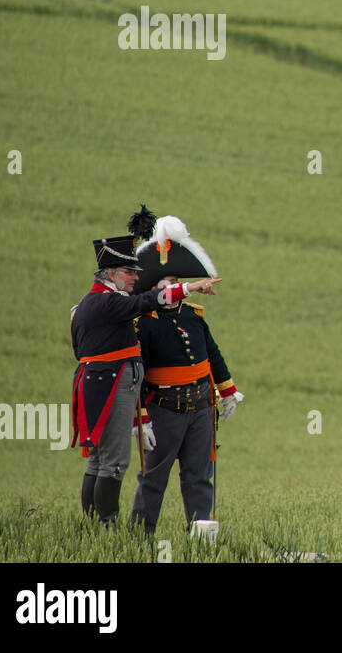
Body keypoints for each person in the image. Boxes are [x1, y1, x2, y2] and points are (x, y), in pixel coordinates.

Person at [71, 217, 220, 528]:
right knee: (112, 463)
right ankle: (105, 526)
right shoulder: (108, 302)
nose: (133, 278)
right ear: (110, 273)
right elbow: (152, 299)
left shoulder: (97, 302)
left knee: (102, 462)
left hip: (108, 384)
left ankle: (96, 526)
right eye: (128, 272)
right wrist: (191, 286)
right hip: (113, 387)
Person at [128, 211, 243, 534]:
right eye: (165, 283)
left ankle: (202, 537)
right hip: (164, 409)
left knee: (199, 476)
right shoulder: (144, 323)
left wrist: (229, 390)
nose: (171, 288)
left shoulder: (193, 316)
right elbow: (137, 374)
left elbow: (212, 354)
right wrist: (140, 418)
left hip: (200, 408)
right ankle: (140, 536)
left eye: (174, 282)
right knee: (154, 478)